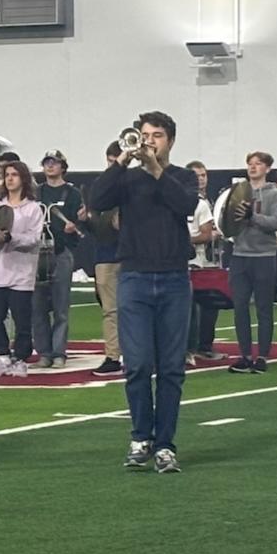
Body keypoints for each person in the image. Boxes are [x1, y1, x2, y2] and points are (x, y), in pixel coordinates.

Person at [88, 112, 199, 474]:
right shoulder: (127, 178)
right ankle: (140, 438)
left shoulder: (181, 177)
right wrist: (123, 158)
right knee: (136, 364)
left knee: (171, 369)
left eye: (157, 135)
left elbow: (185, 205)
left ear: (171, 141)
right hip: (134, 278)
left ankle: (165, 445)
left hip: (173, 279)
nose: (149, 141)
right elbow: (97, 199)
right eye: (144, 135)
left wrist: (154, 168)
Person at [225, 152, 277, 375]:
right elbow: (226, 219)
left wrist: (253, 217)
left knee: (263, 308)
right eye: (250, 164)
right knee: (240, 307)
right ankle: (244, 355)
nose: (253, 167)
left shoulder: (275, 194)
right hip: (240, 254)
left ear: (267, 168)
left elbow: (276, 222)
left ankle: (262, 356)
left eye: (258, 164)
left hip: (264, 256)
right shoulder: (239, 191)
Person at [0, 160, 45, 376]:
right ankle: (2, 355)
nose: (10, 179)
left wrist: (11, 238)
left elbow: (34, 239)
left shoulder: (33, 209)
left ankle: (20, 358)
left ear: (23, 179)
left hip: (21, 274)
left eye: (14, 175)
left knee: (22, 321)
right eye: (7, 175)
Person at [32, 150, 87, 368]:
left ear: (63, 167)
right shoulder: (36, 192)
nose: (50, 166)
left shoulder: (72, 193)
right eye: (47, 162)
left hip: (61, 252)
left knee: (60, 306)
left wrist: (74, 226)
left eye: (54, 163)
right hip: (37, 255)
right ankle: (44, 352)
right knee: (37, 307)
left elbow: (81, 221)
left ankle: (58, 352)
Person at [88, 142, 124, 376]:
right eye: (110, 161)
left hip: (132, 256)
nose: (113, 165)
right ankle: (112, 355)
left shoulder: (135, 182)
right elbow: (98, 227)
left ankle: (140, 353)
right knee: (110, 310)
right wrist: (88, 220)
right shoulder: (102, 186)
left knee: (137, 309)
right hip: (106, 255)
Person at [185, 161, 226, 364]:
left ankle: (202, 347)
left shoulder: (207, 201)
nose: (201, 179)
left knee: (208, 306)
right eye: (196, 175)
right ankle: (192, 348)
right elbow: (205, 234)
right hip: (190, 260)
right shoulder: (190, 201)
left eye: (203, 175)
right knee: (191, 308)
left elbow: (208, 232)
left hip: (204, 260)